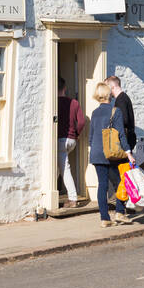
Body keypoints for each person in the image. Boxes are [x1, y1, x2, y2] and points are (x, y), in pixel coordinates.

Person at [89, 82, 135, 226]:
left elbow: (91, 136)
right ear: (109, 94)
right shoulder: (115, 111)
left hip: (96, 153)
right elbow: (121, 135)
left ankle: (104, 219)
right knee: (123, 181)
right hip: (111, 153)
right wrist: (129, 153)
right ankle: (120, 212)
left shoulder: (95, 113)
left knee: (102, 185)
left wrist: (95, 148)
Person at [106, 75, 137, 211]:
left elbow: (123, 120)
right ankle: (124, 200)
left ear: (113, 87)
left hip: (125, 140)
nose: (107, 92)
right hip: (127, 139)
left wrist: (111, 121)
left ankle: (122, 200)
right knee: (122, 172)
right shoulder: (123, 98)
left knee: (117, 172)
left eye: (108, 88)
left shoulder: (121, 100)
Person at [57, 78, 87, 208]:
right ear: (65, 88)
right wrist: (77, 134)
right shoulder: (74, 103)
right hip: (72, 140)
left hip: (60, 140)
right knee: (59, 167)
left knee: (64, 169)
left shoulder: (54, 103)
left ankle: (73, 198)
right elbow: (81, 122)